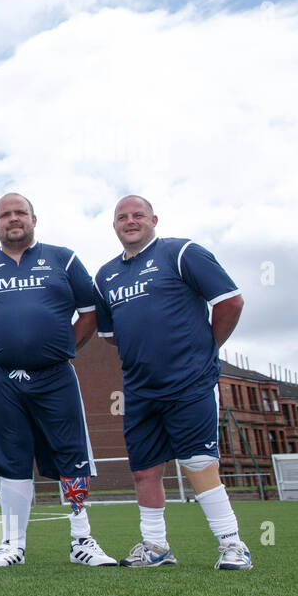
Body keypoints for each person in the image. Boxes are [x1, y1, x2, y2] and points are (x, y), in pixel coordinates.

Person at [93, 195, 250, 570]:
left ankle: (233, 545)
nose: (130, 221)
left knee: (197, 462)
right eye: (122, 217)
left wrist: (205, 348)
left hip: (189, 380)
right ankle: (156, 547)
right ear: (114, 225)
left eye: (138, 215)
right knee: (144, 468)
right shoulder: (105, 276)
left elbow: (231, 302)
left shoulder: (183, 253)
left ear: (154, 220)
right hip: (140, 387)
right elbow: (111, 334)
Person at [0, 193, 116, 567]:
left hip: (55, 375)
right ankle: (13, 543)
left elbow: (90, 313)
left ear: (33, 219)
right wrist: (3, 349)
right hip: (1, 378)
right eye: (5, 215)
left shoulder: (64, 259)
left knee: (71, 455)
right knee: (11, 458)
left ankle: (82, 540)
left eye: (20, 213)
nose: (14, 219)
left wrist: (61, 348)